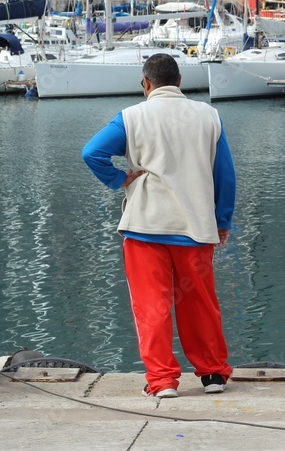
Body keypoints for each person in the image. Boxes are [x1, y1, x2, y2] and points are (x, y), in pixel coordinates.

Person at [82, 53, 236, 398]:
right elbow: (225, 174)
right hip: (195, 227)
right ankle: (212, 375)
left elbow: (91, 153)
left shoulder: (131, 117)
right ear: (179, 82)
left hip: (145, 227)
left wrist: (119, 179)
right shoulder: (208, 116)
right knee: (200, 303)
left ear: (145, 84)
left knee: (151, 305)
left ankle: (162, 380)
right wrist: (222, 220)